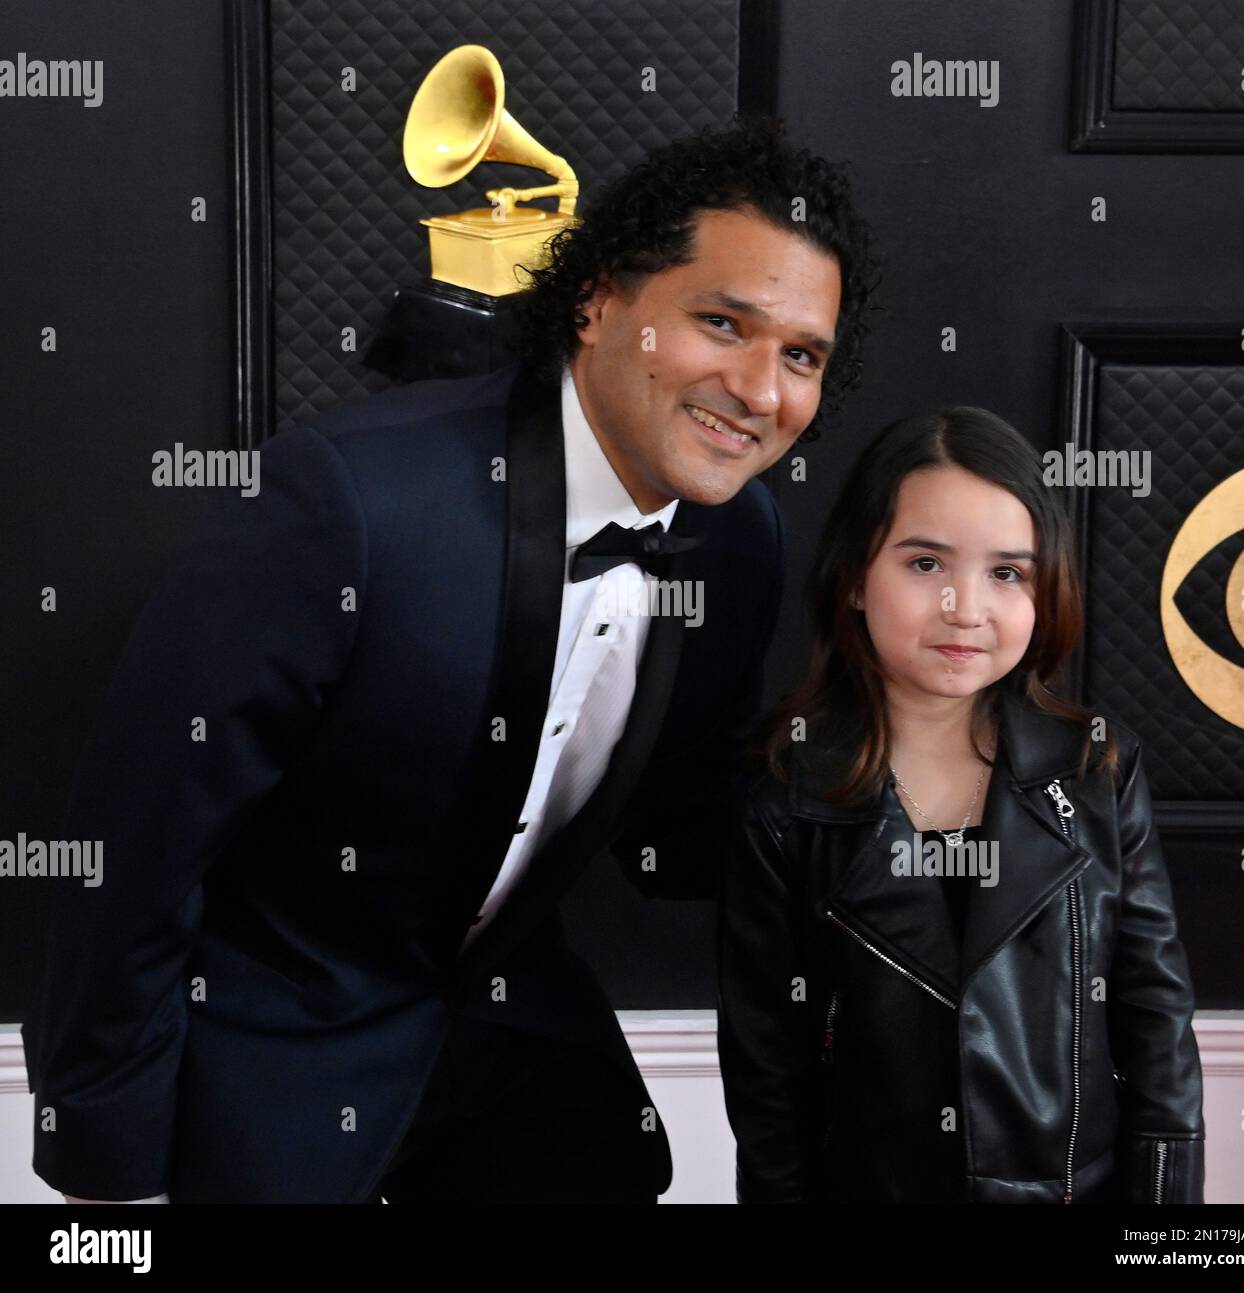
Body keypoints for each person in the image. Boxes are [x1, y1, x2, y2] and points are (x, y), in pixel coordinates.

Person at [23, 115, 878, 1203]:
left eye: (800, 356)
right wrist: (113, 1180)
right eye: (722, 323)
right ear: (600, 299)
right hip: (273, 1026)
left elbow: (679, 827)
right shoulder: (345, 501)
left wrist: (900, 797)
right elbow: (138, 841)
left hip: (499, 1009)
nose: (762, 392)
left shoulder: (738, 539)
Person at [716, 406, 1205, 1204]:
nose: (966, 607)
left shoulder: (1097, 769)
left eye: (1007, 572)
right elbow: (769, 1079)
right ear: (853, 579)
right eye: (925, 564)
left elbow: (1159, 1031)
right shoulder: (786, 801)